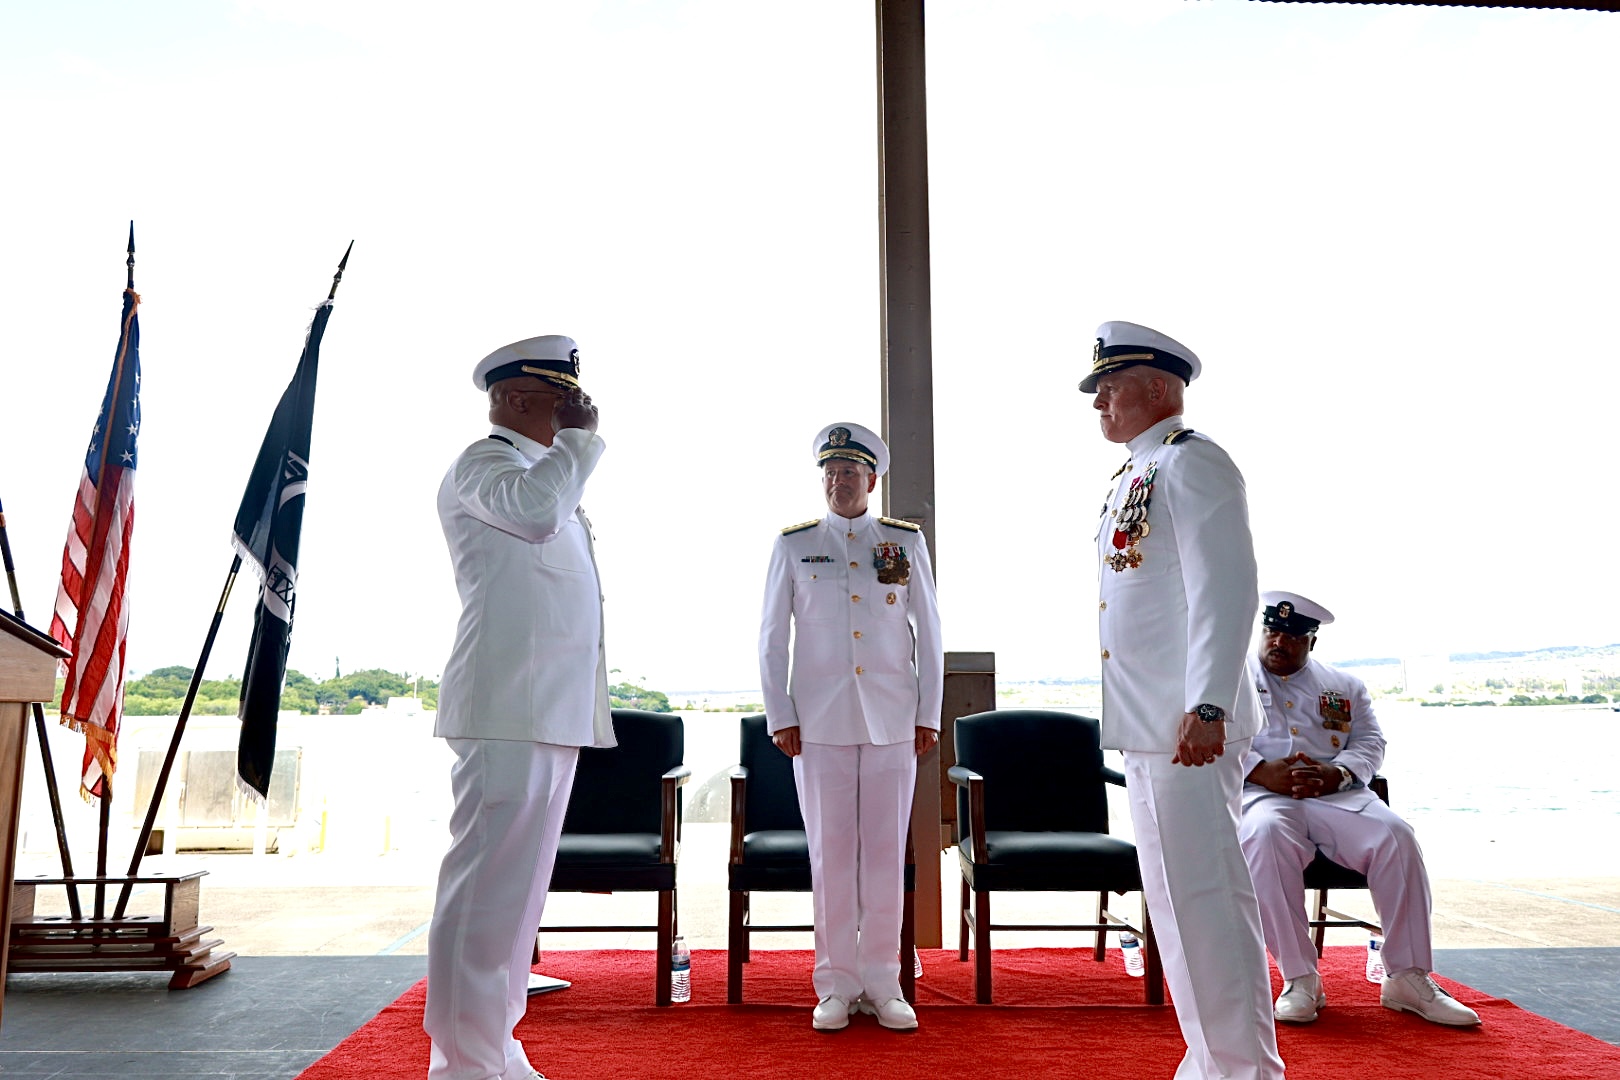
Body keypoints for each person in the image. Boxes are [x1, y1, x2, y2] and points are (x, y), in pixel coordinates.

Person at [1084, 321, 1285, 1080]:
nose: (1098, 399)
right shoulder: (1134, 476)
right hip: (1150, 728)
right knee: (1173, 902)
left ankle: (1245, 1069)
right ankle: (1212, 1058)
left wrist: (1210, 705)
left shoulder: (1193, 463)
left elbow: (1226, 587)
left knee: (1208, 898)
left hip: (1188, 726)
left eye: (1111, 383)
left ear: (1159, 388)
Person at [424, 334, 613, 1080]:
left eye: (573, 401)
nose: (572, 411)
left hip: (548, 711)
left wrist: (566, 449)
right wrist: (579, 443)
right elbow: (534, 517)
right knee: (481, 892)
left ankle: (496, 1048)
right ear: (510, 400)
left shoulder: (546, 472)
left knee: (517, 900)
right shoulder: (486, 463)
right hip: (503, 707)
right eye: (557, 399)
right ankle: (461, 1062)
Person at [758, 422, 944, 1033]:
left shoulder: (902, 542)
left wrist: (927, 716)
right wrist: (781, 715)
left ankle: (885, 983)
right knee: (831, 856)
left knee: (887, 856)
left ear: (872, 479)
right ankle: (835, 985)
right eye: (830, 473)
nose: (839, 482)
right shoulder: (794, 545)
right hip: (818, 724)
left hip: (892, 720)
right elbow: (770, 639)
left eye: (850, 473)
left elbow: (931, 638)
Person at [1240, 591, 1482, 1027]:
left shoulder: (1343, 686)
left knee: (1396, 836)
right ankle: (1300, 978)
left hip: (1337, 796)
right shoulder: (1228, 681)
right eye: (1272, 631)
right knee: (1263, 835)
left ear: (1312, 641)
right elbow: (1213, 739)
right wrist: (1258, 770)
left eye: (1291, 636)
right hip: (1264, 796)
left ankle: (1408, 978)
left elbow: (1371, 742)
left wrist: (1340, 773)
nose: (1278, 641)